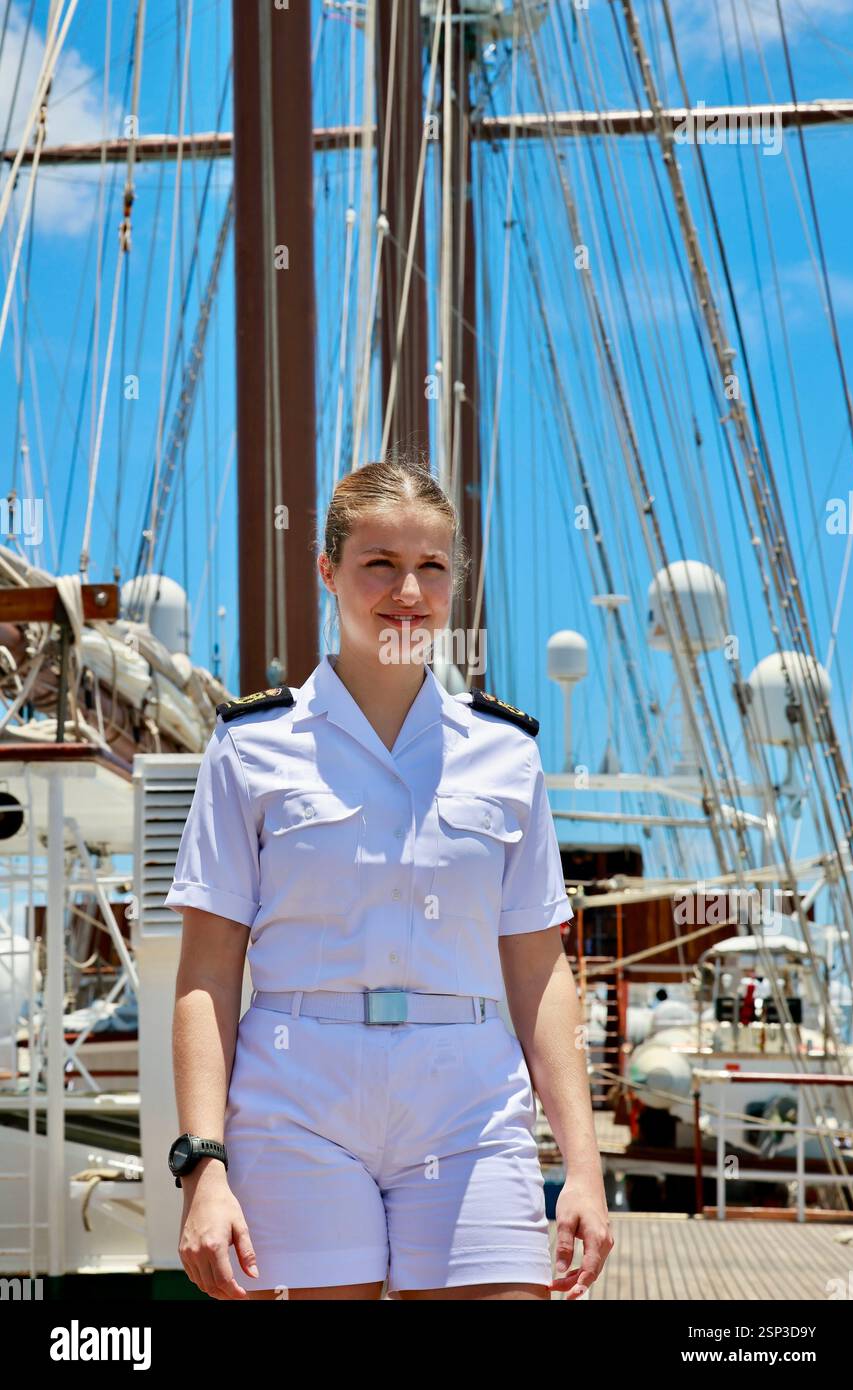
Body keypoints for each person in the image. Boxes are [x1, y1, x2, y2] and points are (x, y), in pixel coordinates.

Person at [165, 458, 612, 1301]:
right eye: (380, 564)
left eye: (431, 568)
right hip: (297, 1103)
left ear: (454, 583)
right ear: (328, 571)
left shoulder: (507, 752)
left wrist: (583, 1170)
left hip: (469, 1104)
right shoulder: (250, 747)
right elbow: (207, 973)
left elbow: (538, 968)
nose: (408, 592)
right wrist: (203, 1167)